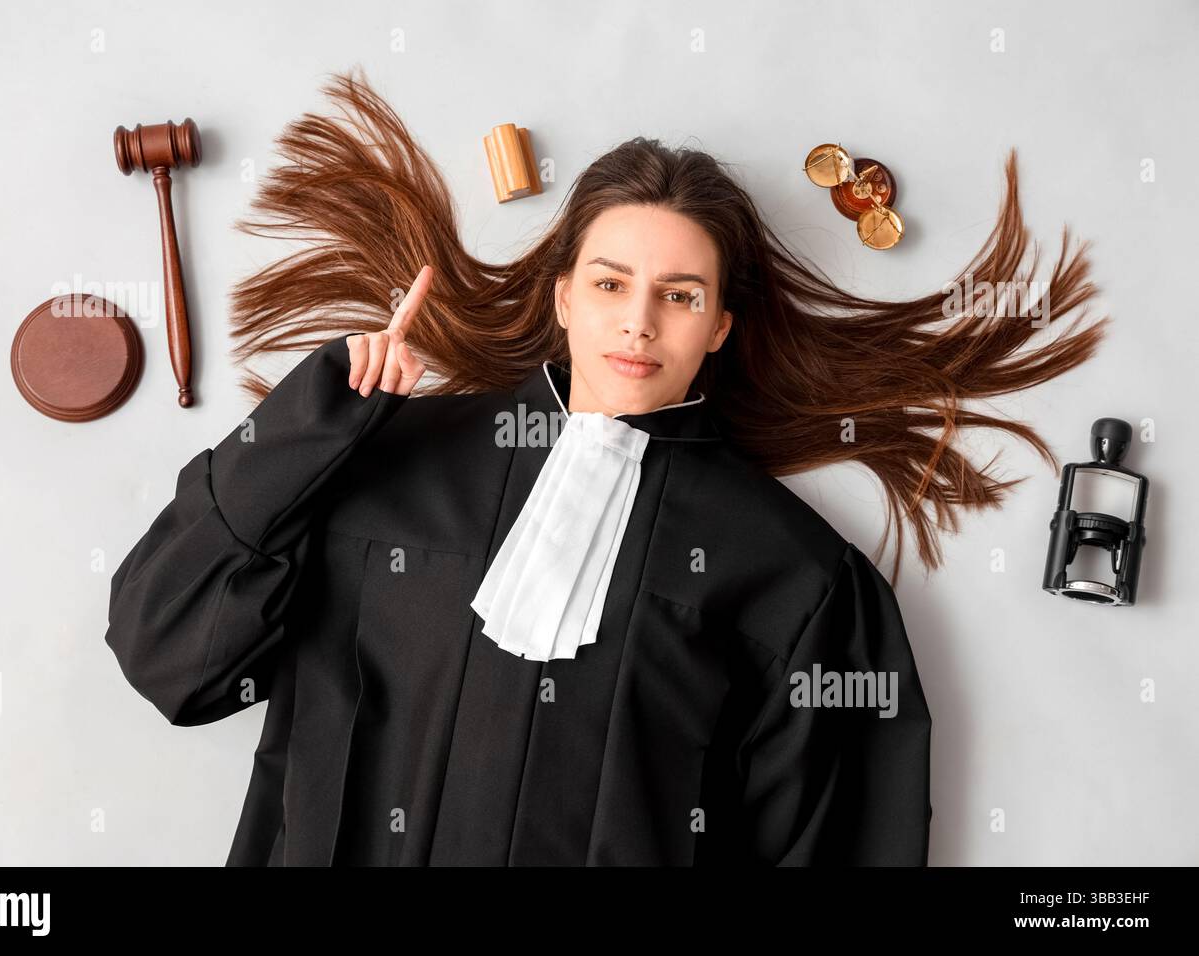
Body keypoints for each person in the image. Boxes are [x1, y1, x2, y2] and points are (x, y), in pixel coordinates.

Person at [105, 69, 1106, 866]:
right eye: (611, 281)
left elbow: (838, 834)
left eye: (678, 294)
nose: (637, 319)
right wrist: (308, 422)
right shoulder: (382, 465)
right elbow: (169, 657)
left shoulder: (791, 573)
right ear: (562, 298)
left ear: (717, 325)